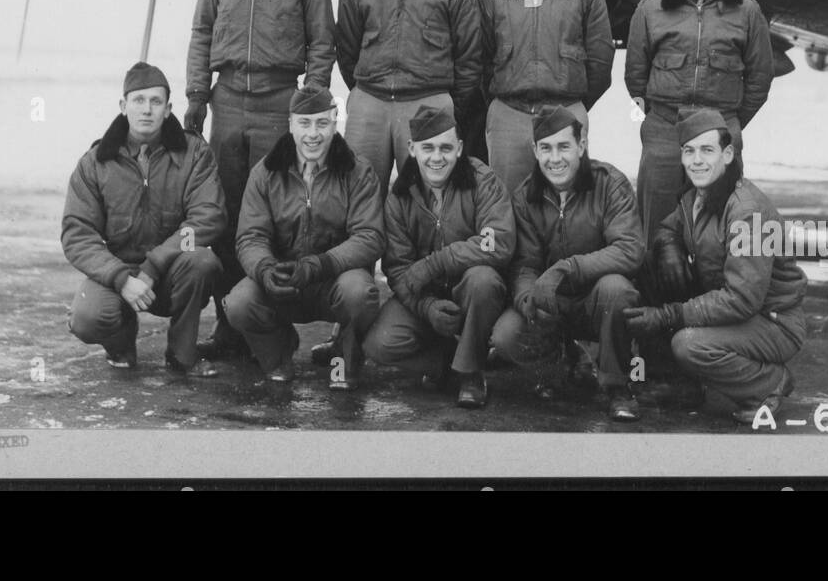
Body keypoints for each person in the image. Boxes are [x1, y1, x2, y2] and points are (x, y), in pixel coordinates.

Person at [184, 0, 336, 359]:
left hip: (278, 105)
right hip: (227, 104)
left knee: (271, 216)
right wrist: (195, 100)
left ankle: (268, 321)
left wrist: (308, 107)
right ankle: (229, 326)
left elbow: (321, 44)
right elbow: (201, 36)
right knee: (226, 215)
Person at [623, 108, 807, 424]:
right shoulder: (697, 195)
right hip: (741, 312)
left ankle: (769, 382)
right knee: (650, 264)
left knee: (689, 345)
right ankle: (678, 383)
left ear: (728, 153)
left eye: (707, 150)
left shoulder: (747, 211)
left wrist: (671, 315)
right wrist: (668, 246)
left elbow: (743, 299)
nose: (697, 160)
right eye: (689, 151)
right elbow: (670, 226)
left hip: (773, 321)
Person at [61, 62, 226, 376]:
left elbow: (208, 216)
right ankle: (121, 344)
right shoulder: (95, 163)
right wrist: (121, 279)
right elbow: (77, 234)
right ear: (123, 106)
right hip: (119, 273)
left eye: (155, 101)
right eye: (138, 100)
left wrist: (154, 265)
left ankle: (181, 354)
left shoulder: (194, 154)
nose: (147, 109)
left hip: (172, 270)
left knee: (202, 262)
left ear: (168, 109)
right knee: (86, 317)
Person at [624, 0, 774, 242]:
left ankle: (713, 294)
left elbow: (760, 79)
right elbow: (635, 75)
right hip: (664, 134)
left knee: (719, 232)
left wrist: (726, 125)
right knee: (655, 232)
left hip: (720, 134)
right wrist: (661, 121)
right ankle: (656, 294)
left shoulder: (747, 13)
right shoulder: (650, 10)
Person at [223, 87, 383, 390]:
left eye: (322, 124)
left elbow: (369, 236)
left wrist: (321, 264)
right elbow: (250, 236)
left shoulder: (358, 171)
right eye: (305, 123)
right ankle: (279, 352)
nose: (314, 134)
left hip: (331, 281)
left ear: (336, 124)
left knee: (360, 293)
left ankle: (344, 359)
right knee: (239, 302)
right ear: (290, 123)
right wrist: (265, 269)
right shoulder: (265, 172)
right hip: (283, 281)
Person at [490, 106, 644, 422]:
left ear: (582, 146)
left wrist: (568, 268)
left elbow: (629, 249)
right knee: (505, 335)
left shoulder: (609, 183)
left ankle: (617, 386)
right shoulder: (525, 197)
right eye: (545, 148)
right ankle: (561, 363)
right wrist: (527, 300)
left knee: (616, 289)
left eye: (563, 147)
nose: (554, 158)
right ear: (534, 150)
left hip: (596, 302)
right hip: (554, 305)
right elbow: (524, 264)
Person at [363, 105, 514, 408]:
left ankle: (471, 373)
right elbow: (398, 270)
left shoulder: (482, 180)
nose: (436, 157)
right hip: (430, 300)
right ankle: (446, 360)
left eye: (445, 148)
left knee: (482, 280)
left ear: (459, 148)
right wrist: (427, 307)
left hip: (472, 294)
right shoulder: (400, 196)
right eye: (427, 148)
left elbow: (496, 241)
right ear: (412, 149)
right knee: (379, 344)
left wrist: (437, 262)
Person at [336, 0, 482, 189]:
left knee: (428, 198)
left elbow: (469, 59)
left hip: (428, 104)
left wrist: (446, 107)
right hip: (370, 104)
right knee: (357, 193)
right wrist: (365, 94)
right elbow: (347, 49)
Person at [479, 0, 615, 195]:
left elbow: (601, 61)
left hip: (565, 112)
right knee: (508, 205)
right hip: (509, 116)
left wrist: (571, 106)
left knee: (568, 206)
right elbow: (480, 60)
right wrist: (504, 106)